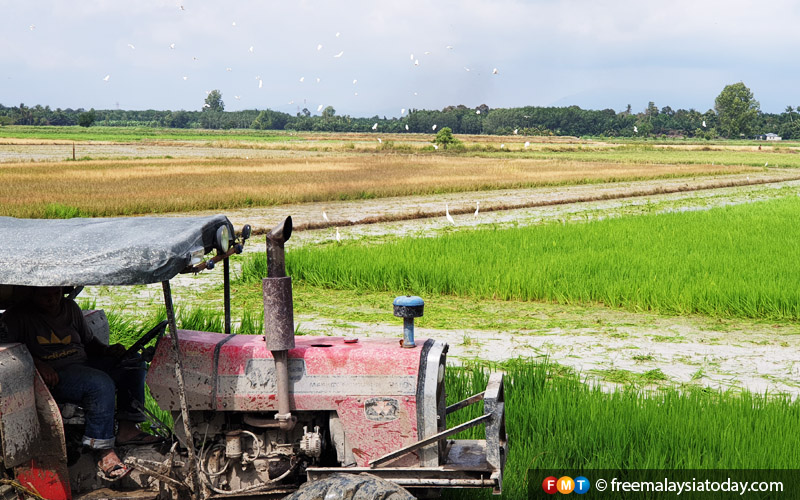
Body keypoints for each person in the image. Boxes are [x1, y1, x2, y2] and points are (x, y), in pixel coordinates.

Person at [3, 286, 162, 480]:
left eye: (56, 294)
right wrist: (38, 365)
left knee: (133, 363)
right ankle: (103, 450)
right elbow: (11, 352)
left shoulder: (70, 308)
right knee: (100, 384)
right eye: (46, 296)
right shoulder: (17, 317)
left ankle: (128, 428)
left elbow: (89, 342)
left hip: (81, 363)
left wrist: (107, 350)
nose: (53, 300)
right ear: (32, 293)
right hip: (53, 374)